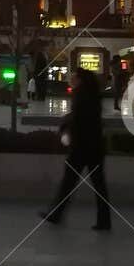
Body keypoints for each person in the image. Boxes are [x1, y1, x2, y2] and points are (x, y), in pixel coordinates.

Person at [40, 69, 111, 231]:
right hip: (95, 147)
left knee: (68, 183)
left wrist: (66, 126)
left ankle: (56, 214)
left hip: (81, 148)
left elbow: (79, 120)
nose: (70, 78)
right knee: (98, 185)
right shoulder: (92, 95)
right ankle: (104, 220)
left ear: (79, 79)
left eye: (73, 76)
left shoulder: (81, 95)